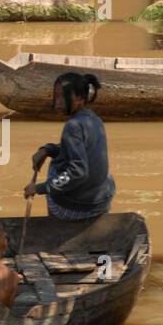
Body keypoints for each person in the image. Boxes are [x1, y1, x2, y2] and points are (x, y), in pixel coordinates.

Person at [25, 72, 115, 220]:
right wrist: (47, 149)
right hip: (102, 202)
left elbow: (77, 171)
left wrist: (39, 188)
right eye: (57, 96)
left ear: (80, 99)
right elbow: (76, 148)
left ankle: (57, 225)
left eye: (64, 96)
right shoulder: (94, 119)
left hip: (80, 209)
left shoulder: (72, 126)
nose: (59, 102)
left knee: (54, 167)